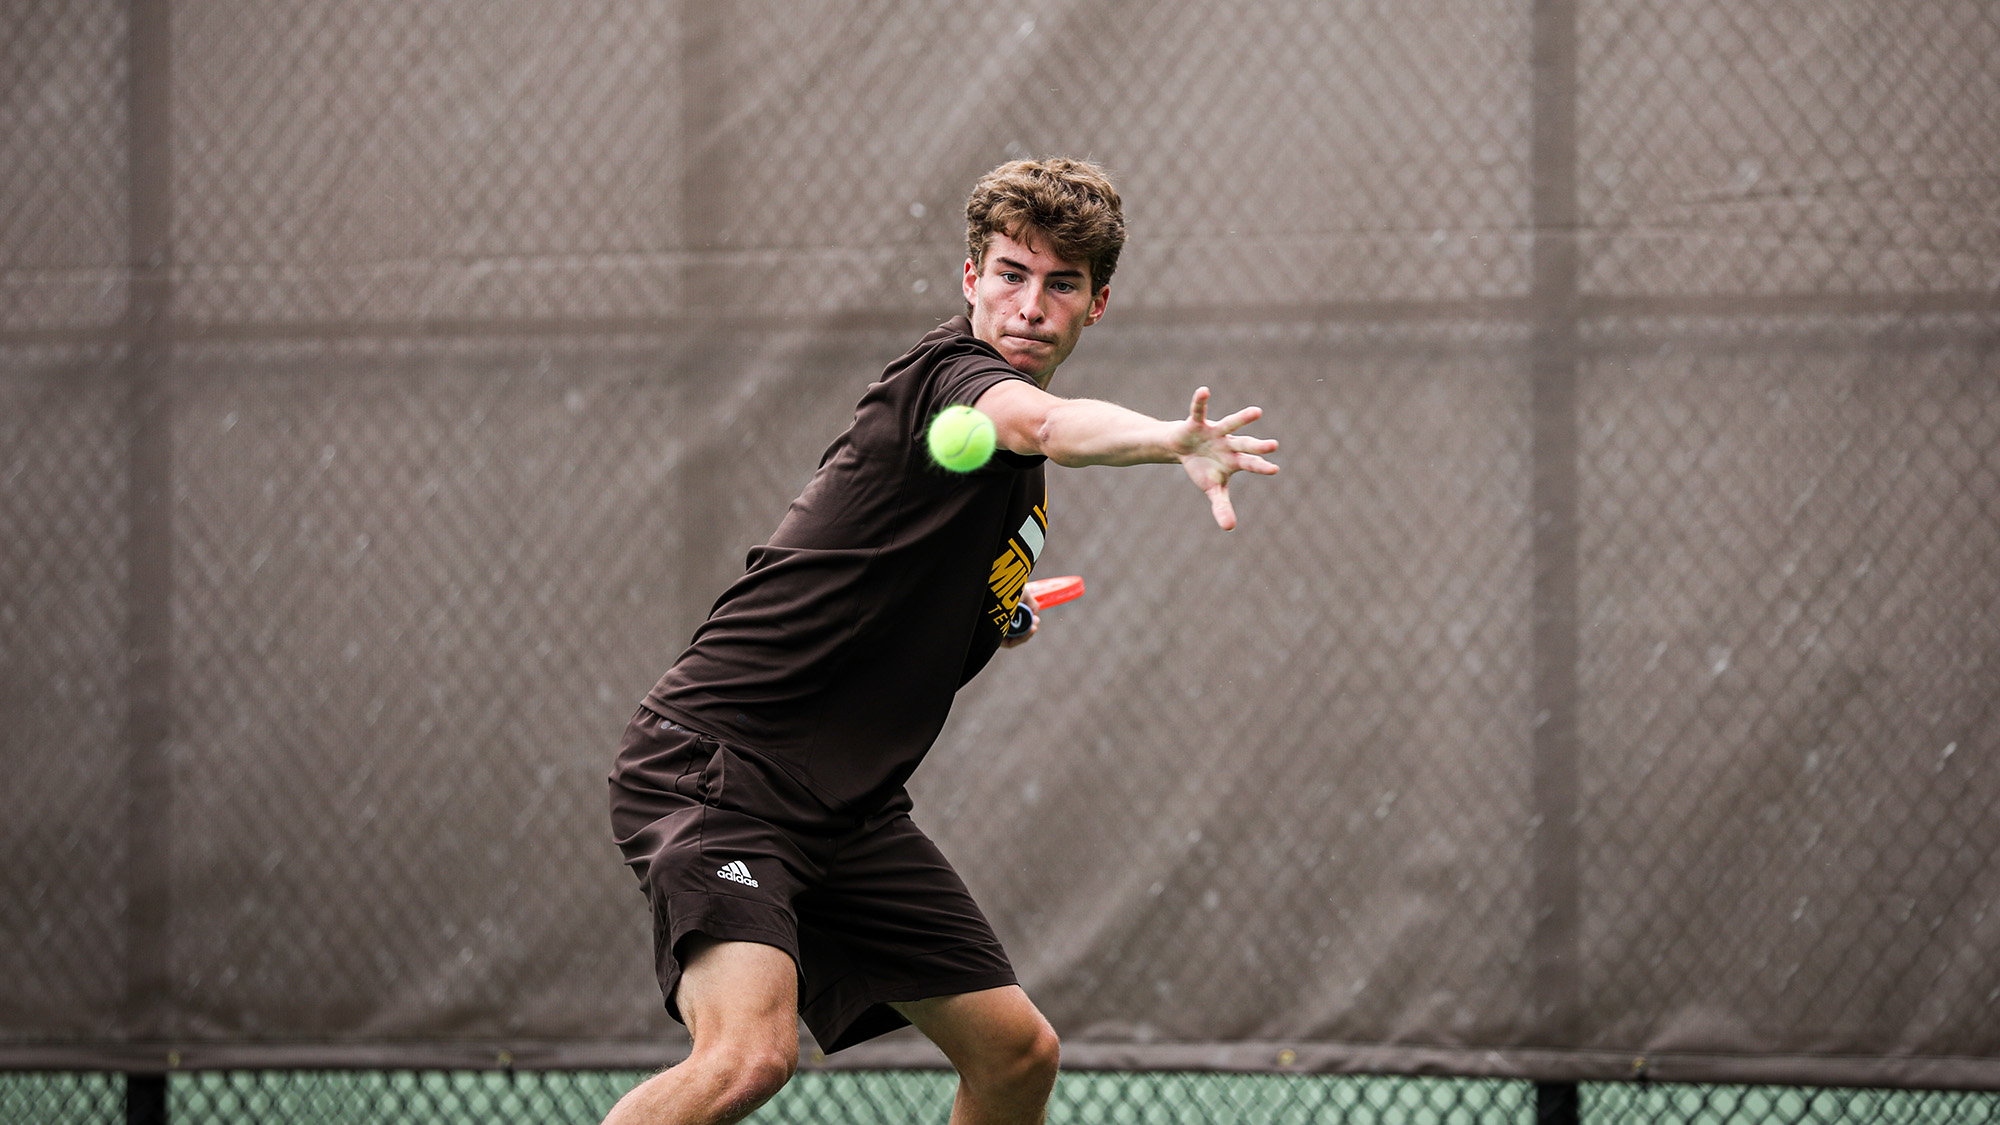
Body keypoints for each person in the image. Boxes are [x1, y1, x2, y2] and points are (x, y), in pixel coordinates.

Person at [603, 157, 1278, 1125]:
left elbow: (924, 566)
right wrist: (1168, 438)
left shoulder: (1011, 482)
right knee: (748, 1055)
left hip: (846, 804)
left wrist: (992, 610)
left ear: (1096, 304)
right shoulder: (951, 383)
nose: (1030, 306)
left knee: (1015, 1057)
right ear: (970, 279)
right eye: (1010, 274)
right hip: (722, 769)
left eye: (1061, 284)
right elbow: (1049, 422)